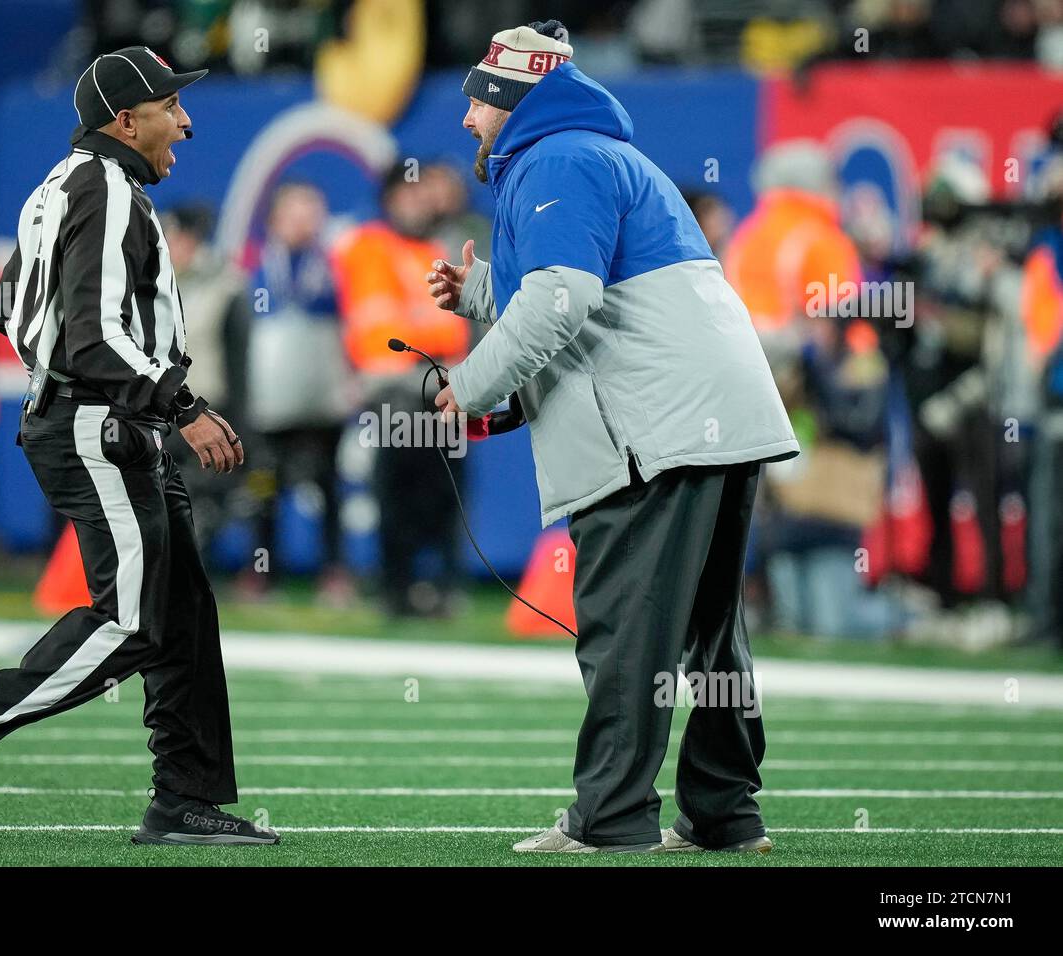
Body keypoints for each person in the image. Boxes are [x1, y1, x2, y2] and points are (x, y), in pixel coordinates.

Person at [428, 21, 798, 853]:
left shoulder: (553, 157)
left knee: (628, 630)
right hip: (718, 418)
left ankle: (611, 818)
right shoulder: (599, 152)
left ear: (513, 99)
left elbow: (564, 297)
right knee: (710, 633)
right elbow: (608, 286)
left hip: (658, 428)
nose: (466, 122)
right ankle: (723, 813)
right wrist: (486, 290)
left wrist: (470, 384)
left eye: (478, 102)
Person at [0, 47, 278, 848]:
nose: (186, 120)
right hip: (95, 423)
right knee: (135, 620)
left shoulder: (63, 187)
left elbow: (9, 305)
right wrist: (183, 406)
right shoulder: (104, 191)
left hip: (100, 419)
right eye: (172, 106)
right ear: (125, 119)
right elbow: (93, 336)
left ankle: (184, 798)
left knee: (180, 616)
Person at [335, 164, 470, 617]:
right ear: (391, 198)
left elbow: (449, 329)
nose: (419, 204)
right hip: (395, 390)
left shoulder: (437, 247)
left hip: (440, 389)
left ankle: (443, 590)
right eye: (410, 196)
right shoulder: (370, 246)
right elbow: (380, 326)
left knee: (448, 497)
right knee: (397, 497)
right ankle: (397, 591)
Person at [241, 183, 355, 605]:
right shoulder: (252, 268)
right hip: (269, 400)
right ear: (273, 220)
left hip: (323, 397)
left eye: (312, 213)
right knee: (263, 486)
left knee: (328, 488)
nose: (304, 223)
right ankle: (262, 573)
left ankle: (334, 573)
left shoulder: (334, 267)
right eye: (295, 213)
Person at [159, 204, 252, 550]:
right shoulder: (145, 281)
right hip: (157, 412)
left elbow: (238, 365)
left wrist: (242, 425)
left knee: (203, 505)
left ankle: (193, 581)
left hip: (208, 407)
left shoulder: (225, 287)